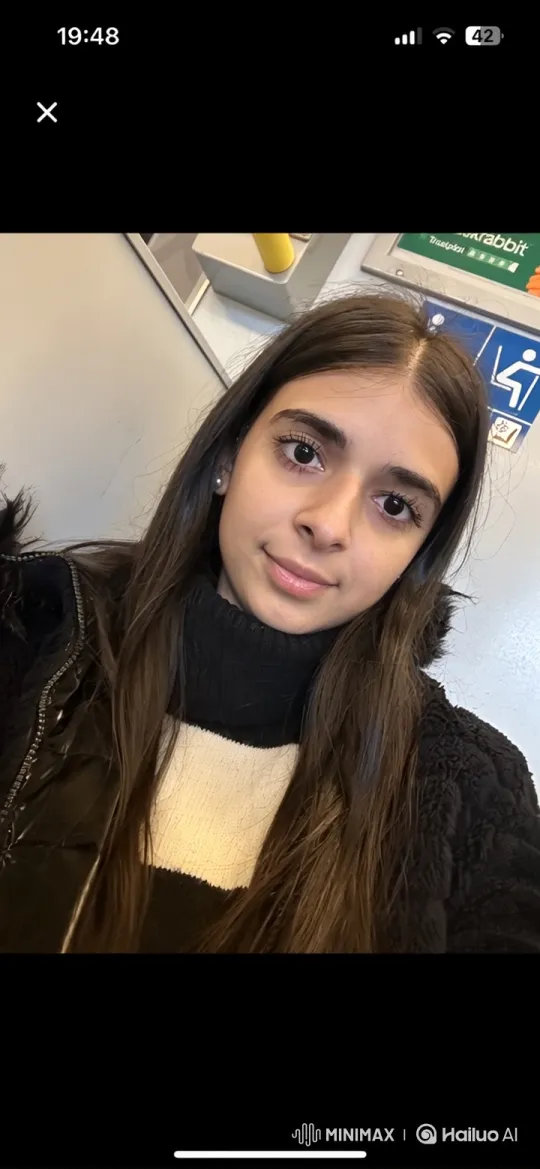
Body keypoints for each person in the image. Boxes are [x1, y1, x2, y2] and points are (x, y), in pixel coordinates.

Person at [1, 293, 539, 954]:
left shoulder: (472, 788)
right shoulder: (28, 629)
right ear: (229, 453)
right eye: (304, 452)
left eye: (395, 504)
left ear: (417, 555)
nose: (330, 523)